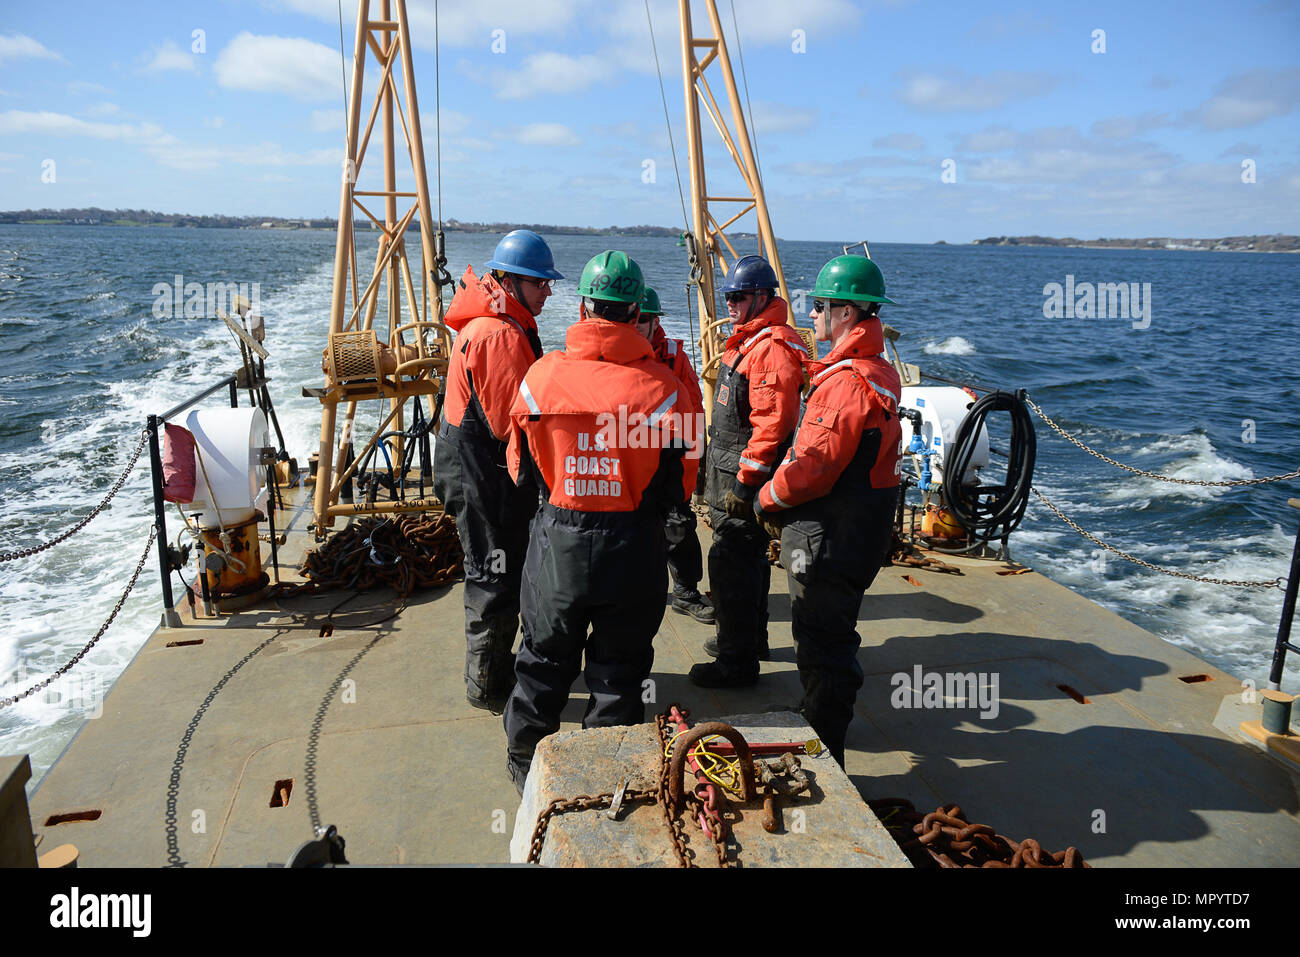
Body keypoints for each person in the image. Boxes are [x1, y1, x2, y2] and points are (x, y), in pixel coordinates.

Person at [502, 252, 696, 793]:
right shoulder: (665, 390)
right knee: (618, 673)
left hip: (557, 541)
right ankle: (599, 781)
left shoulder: (541, 378)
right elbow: (680, 484)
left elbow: (518, 469)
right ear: (637, 311)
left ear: (584, 305)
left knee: (540, 662)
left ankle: (527, 774)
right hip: (631, 548)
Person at [752, 254, 902, 767]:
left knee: (821, 639)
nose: (811, 316)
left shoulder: (842, 384)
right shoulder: (879, 370)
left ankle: (824, 744)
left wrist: (765, 499)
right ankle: (819, 713)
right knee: (832, 633)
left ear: (846, 314)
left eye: (819, 307)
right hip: (861, 531)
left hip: (829, 537)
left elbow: (812, 468)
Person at [432, 229, 562, 712]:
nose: (548, 291)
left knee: (496, 567)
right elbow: (516, 426)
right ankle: (487, 685)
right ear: (513, 280)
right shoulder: (500, 335)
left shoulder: (498, 321)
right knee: (493, 573)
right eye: (541, 283)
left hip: (472, 465)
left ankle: (495, 669)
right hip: (479, 473)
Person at [689, 255, 805, 688]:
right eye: (728, 297)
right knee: (749, 562)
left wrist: (744, 483)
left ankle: (735, 663)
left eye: (737, 297)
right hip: (729, 473)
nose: (730, 305)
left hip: (741, 479)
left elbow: (771, 424)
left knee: (731, 565)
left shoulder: (770, 349)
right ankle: (750, 641)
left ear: (761, 297)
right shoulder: (753, 341)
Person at [637, 286, 713, 624]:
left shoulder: (672, 356)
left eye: (644, 320)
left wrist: (690, 469)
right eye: (634, 318)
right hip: (629, 454)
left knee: (679, 525)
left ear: (655, 323)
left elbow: (693, 409)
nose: (637, 326)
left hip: (667, 454)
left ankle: (685, 592)